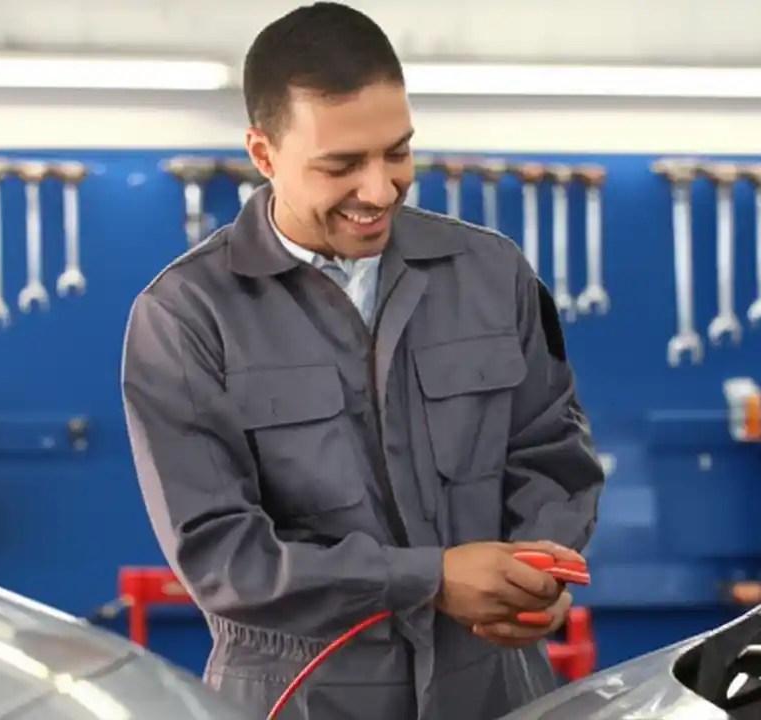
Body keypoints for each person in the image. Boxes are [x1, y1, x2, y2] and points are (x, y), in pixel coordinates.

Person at [120, 3, 605, 718]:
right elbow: (224, 556)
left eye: (397, 152)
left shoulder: (491, 273)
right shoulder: (186, 317)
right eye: (341, 165)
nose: (379, 192)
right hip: (305, 691)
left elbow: (550, 452)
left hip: (493, 685)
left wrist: (539, 569)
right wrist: (428, 579)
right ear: (263, 154)